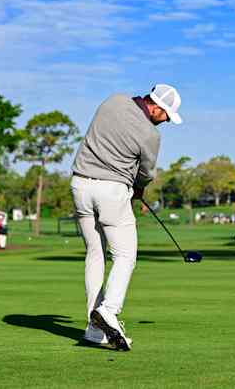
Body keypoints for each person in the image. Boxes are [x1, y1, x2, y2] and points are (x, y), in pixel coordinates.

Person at [71, 84, 181, 351]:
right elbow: (146, 173)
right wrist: (139, 188)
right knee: (125, 255)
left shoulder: (114, 100)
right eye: (166, 115)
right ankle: (108, 311)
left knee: (95, 254)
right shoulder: (151, 134)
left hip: (80, 185)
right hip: (111, 191)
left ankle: (94, 329)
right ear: (156, 107)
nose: (166, 121)